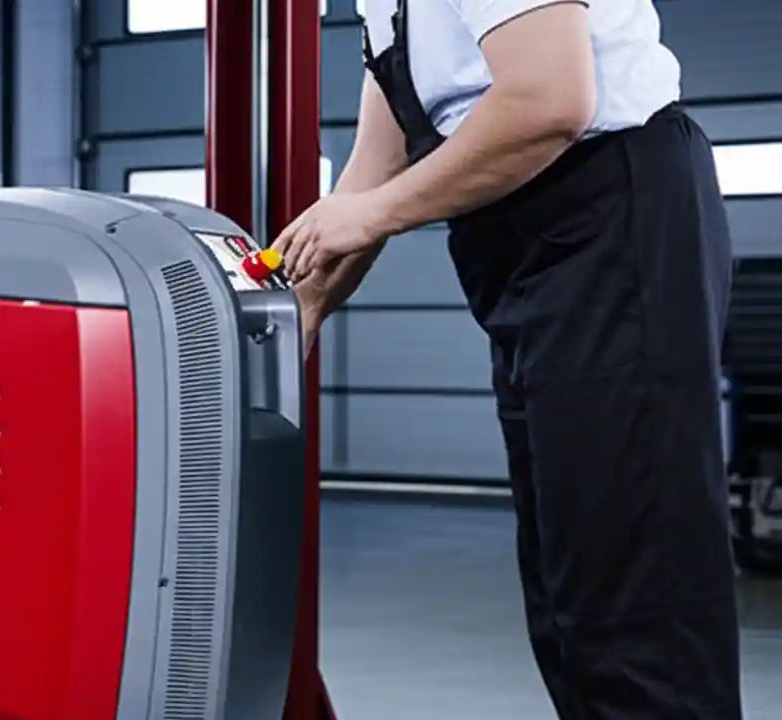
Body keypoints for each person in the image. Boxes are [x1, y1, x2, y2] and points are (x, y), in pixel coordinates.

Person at [273, 1, 742, 717]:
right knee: (569, 600)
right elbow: (370, 173)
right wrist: (289, 322)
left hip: (611, 216)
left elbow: (549, 99)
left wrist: (368, 215)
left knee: (635, 597)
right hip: (524, 248)